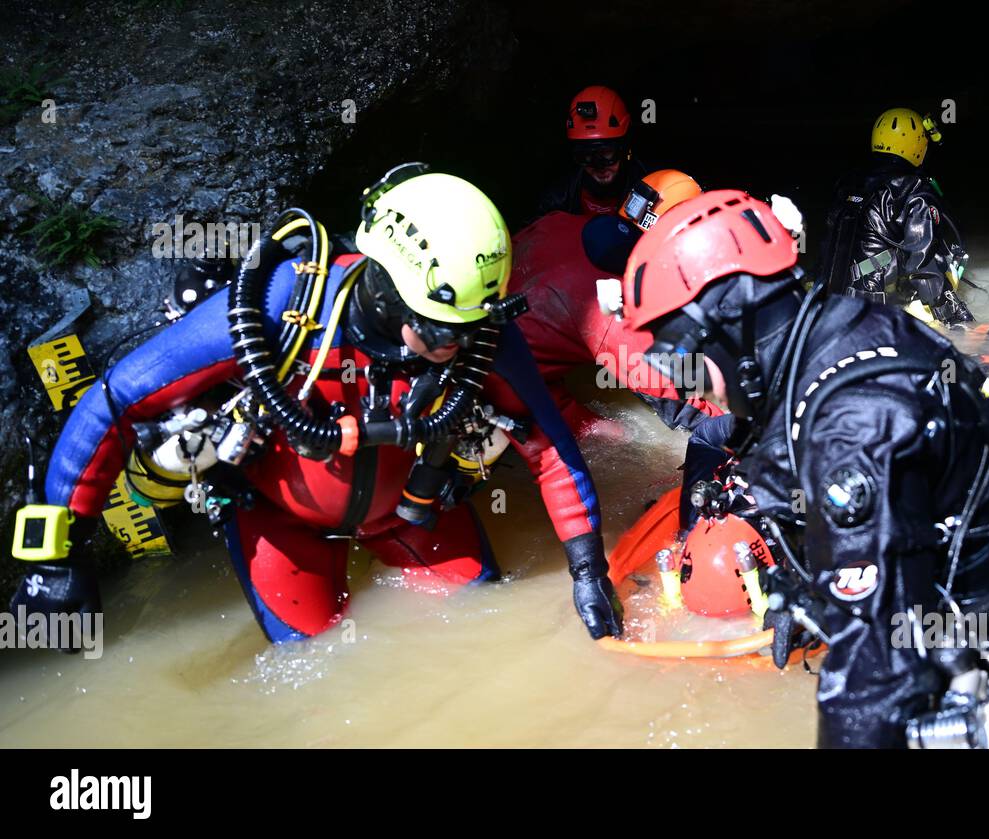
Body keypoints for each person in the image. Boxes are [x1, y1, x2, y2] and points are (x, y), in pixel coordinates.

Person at [616, 189, 989, 748]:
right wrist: (805, 590)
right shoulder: (848, 324)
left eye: (678, 354)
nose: (680, 378)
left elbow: (873, 682)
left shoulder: (853, 429)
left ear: (728, 324)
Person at [9, 166, 622, 645]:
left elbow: (551, 453)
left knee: (487, 618)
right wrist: (54, 558)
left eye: (465, 331)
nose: (454, 348)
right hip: (281, 520)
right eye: (438, 331)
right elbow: (113, 401)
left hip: (410, 510)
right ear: (384, 290)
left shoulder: (479, 329)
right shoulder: (276, 309)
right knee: (314, 666)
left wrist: (589, 570)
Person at [513, 168, 720, 434]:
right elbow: (683, 408)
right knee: (620, 435)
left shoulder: (559, 220)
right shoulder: (613, 312)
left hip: (484, 339)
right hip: (506, 384)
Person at [819, 107, 972, 326]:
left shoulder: (847, 181)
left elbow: (827, 247)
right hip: (875, 309)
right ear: (916, 144)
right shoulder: (913, 188)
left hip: (833, 303)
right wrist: (956, 318)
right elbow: (923, 263)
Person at [535, 85, 648, 220]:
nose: (599, 166)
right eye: (587, 155)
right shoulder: (557, 200)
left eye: (606, 153)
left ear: (623, 148)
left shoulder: (651, 188)